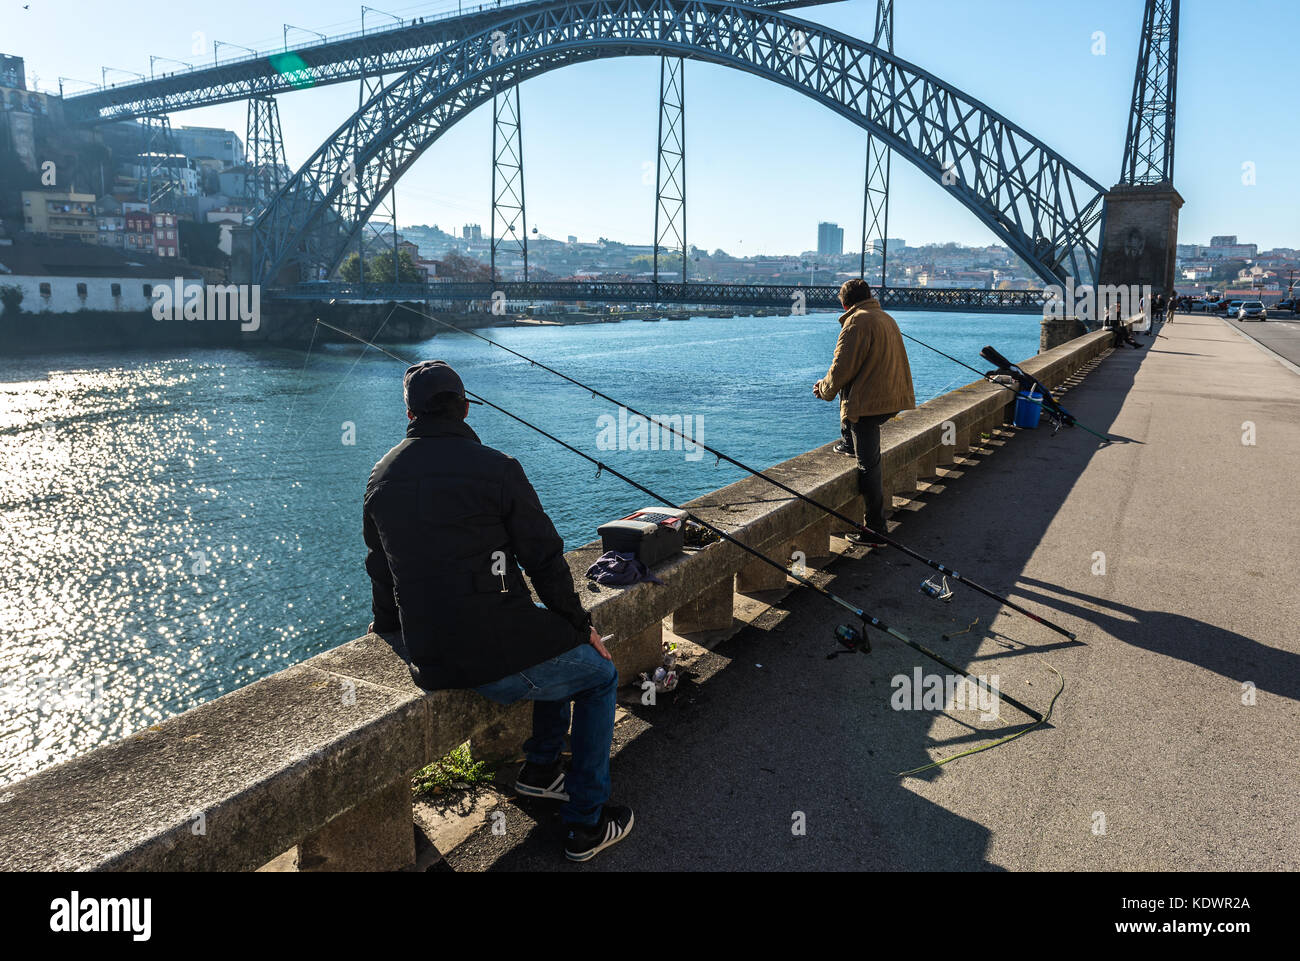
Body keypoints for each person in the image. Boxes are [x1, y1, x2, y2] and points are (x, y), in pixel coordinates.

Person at [363, 360, 633, 863]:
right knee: (597, 675)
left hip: (431, 658)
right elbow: (545, 559)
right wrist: (582, 627)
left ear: (408, 413)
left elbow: (381, 569)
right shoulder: (496, 468)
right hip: (493, 656)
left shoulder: (380, 477)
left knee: (548, 634)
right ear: (465, 408)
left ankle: (541, 773)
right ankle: (585, 823)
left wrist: (388, 628)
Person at [814, 279, 916, 547]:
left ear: (845, 302)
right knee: (863, 446)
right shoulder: (885, 318)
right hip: (891, 396)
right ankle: (849, 443)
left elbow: (841, 369)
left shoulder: (856, 322)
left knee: (868, 466)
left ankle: (876, 530)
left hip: (869, 404)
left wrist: (823, 389)